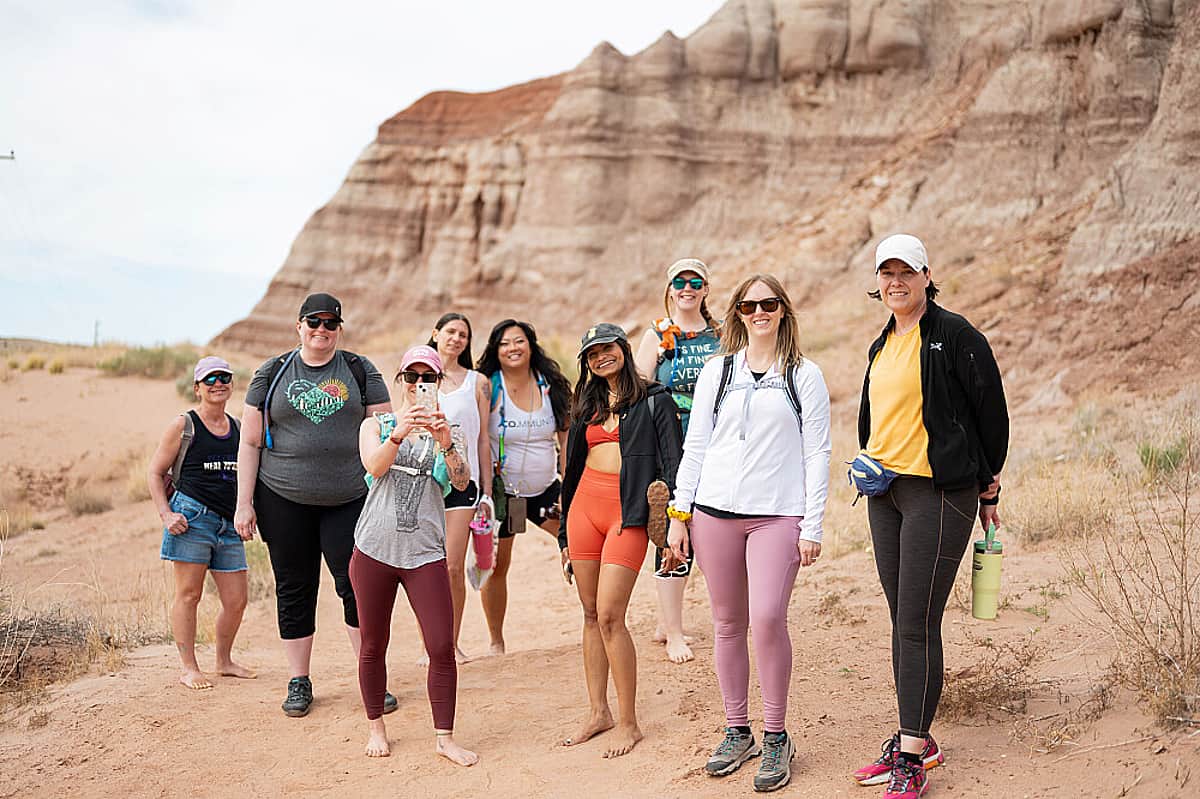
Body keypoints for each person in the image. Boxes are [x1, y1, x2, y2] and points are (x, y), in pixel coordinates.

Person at [849, 234, 1008, 799]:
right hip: (885, 494)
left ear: (925, 275)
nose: (896, 282)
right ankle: (918, 738)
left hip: (939, 494)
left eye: (905, 272)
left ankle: (912, 755)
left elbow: (992, 412)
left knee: (915, 621)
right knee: (904, 620)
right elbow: (878, 416)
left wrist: (989, 483)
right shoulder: (881, 344)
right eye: (886, 274)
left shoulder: (956, 335)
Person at [667, 274, 831, 793]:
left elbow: (817, 452)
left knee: (766, 617)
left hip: (777, 514)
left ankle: (777, 734)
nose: (759, 312)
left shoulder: (804, 375)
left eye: (769, 303)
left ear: (783, 310)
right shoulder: (718, 371)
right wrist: (679, 513)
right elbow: (696, 446)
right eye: (749, 304)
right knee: (726, 622)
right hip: (714, 511)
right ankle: (738, 729)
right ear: (736, 312)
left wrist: (813, 522)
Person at [235, 292, 395, 718]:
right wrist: (243, 504)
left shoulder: (361, 371)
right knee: (294, 587)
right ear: (299, 327)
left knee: (357, 586)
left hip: (350, 498)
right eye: (314, 322)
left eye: (330, 323)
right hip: (282, 497)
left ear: (339, 329)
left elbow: (386, 432)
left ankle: (371, 676)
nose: (321, 330)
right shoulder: (272, 373)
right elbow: (250, 442)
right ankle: (299, 680)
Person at [350, 345, 478, 766]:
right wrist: (398, 432)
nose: (418, 385)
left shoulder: (450, 429)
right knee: (374, 642)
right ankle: (376, 726)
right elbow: (374, 466)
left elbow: (461, 483)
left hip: (424, 551)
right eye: (411, 377)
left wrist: (446, 445)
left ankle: (445, 737)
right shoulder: (376, 424)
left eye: (428, 378)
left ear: (438, 384)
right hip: (374, 549)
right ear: (400, 381)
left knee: (441, 644)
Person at [560, 323, 683, 758]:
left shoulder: (655, 399)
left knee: (611, 615)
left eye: (607, 349)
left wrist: (673, 528)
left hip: (627, 515)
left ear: (623, 350)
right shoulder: (587, 404)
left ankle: (629, 722)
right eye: (592, 353)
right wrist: (562, 536)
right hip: (583, 512)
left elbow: (673, 465)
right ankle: (599, 712)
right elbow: (571, 470)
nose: (600, 358)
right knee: (590, 613)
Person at [147, 356, 255, 690]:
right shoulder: (184, 425)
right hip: (191, 519)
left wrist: (247, 510)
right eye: (210, 379)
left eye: (224, 377)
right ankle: (189, 668)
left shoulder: (238, 428)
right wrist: (167, 514)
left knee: (237, 600)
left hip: (228, 523)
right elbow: (154, 472)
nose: (218, 383)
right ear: (197, 388)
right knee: (189, 594)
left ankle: (224, 661)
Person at [633, 257, 721, 664]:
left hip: (717, 443)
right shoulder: (658, 335)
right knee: (670, 525)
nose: (688, 288)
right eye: (680, 282)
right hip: (671, 443)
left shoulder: (721, 335)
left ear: (705, 289)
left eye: (695, 281)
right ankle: (673, 631)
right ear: (670, 288)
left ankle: (668, 618)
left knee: (709, 525)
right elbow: (634, 389)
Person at [475, 319, 572, 656]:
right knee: (499, 564)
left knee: (580, 545)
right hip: (508, 497)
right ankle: (496, 641)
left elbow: (566, 439)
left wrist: (567, 487)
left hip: (544, 492)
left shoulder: (552, 386)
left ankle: (599, 619)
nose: (512, 348)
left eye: (519, 341)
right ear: (495, 351)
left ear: (531, 345)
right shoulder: (489, 386)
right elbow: (474, 433)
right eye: (504, 343)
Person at [426, 313, 493, 662]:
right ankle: (433, 643)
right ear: (436, 333)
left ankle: (449, 645)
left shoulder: (478, 382)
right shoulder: (418, 376)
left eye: (463, 335)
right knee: (428, 567)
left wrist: (486, 490)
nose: (456, 339)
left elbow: (484, 438)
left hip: (463, 481)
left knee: (452, 566)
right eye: (450, 331)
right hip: (424, 481)